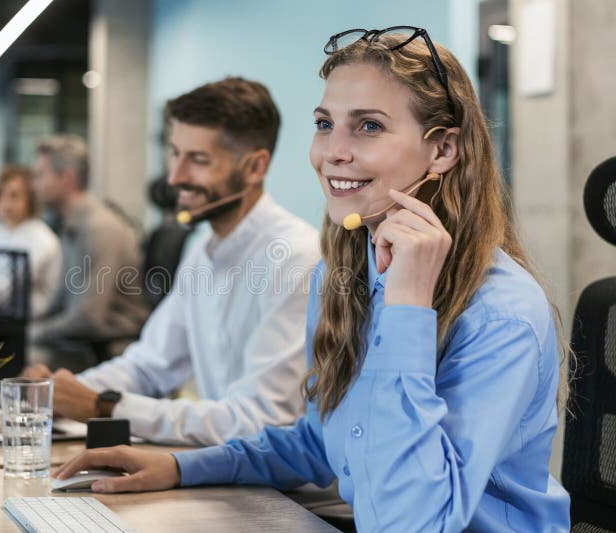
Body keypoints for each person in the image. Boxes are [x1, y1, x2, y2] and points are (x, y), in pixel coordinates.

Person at [51, 28, 571, 532]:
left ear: (442, 150)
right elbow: (322, 439)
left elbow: (411, 522)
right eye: (326, 123)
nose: (332, 152)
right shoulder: (346, 270)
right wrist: (182, 467)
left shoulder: (500, 314)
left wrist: (409, 308)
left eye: (368, 126)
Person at [23, 78, 320, 446]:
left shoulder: (295, 257)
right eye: (175, 153)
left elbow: (263, 420)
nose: (176, 177)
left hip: (289, 497)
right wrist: (60, 392)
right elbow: (149, 365)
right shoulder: (202, 252)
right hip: (230, 472)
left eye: (198, 160)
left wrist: (106, 407)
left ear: (255, 167)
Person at [29, 134, 149, 349]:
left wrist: (33, 334)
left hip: (112, 350)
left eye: (40, 175)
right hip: (87, 344)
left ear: (66, 178)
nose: (34, 184)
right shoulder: (71, 224)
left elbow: (88, 318)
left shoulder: (99, 228)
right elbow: (60, 302)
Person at [0, 165, 61, 317]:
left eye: (14, 196)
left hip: (34, 328)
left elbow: (4, 290)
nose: (5, 204)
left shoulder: (41, 238)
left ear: (30, 199)